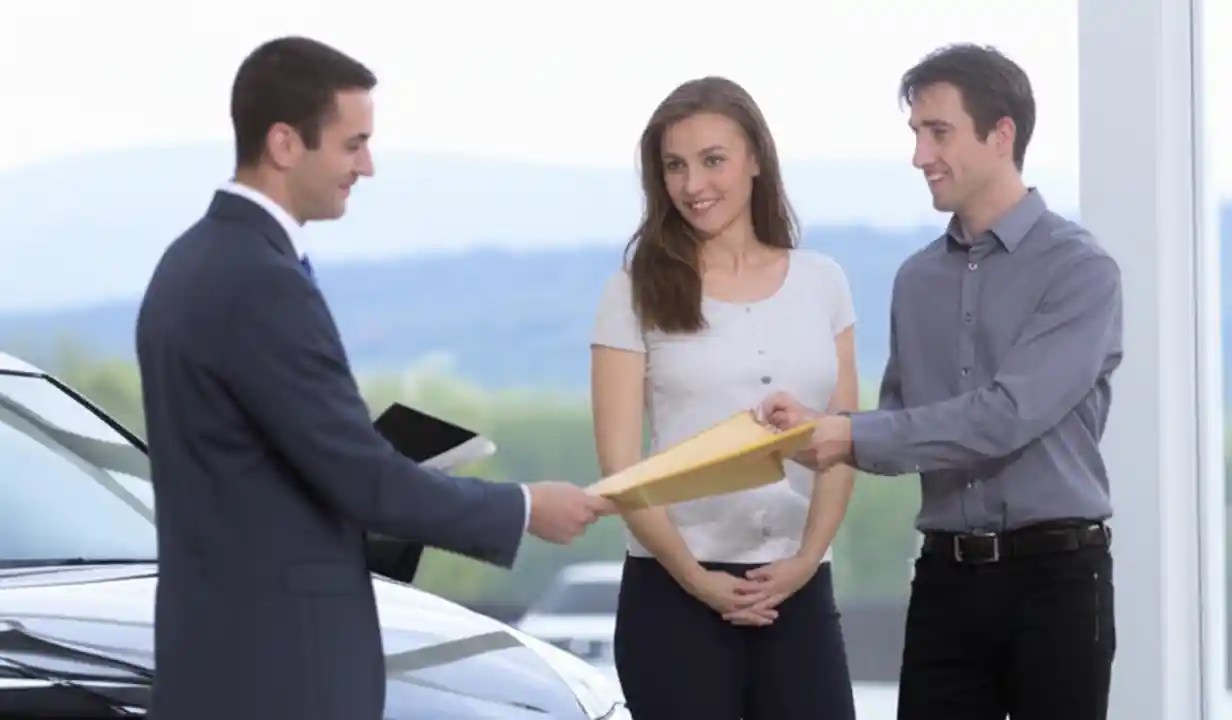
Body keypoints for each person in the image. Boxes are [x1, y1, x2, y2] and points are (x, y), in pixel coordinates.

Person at [134, 36, 614, 720]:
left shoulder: (188, 263)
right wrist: (526, 508)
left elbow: (270, 470)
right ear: (283, 143)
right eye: (352, 144)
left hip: (220, 658)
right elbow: (363, 481)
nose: (368, 166)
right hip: (278, 676)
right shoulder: (259, 281)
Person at [761, 43, 1122, 720]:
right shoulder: (915, 281)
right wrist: (819, 428)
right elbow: (901, 425)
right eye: (917, 135)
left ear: (1001, 134)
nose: (920, 156)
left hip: (1058, 581)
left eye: (939, 133)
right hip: (945, 581)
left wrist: (850, 435)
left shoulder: (1081, 272)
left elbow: (1005, 415)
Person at [590, 75, 859, 720]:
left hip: (798, 588)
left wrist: (805, 559)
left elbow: (843, 438)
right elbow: (621, 471)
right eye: (675, 166)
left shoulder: (823, 282)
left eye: (713, 160)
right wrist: (696, 579)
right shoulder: (633, 291)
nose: (693, 184)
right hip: (675, 594)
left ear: (756, 159)